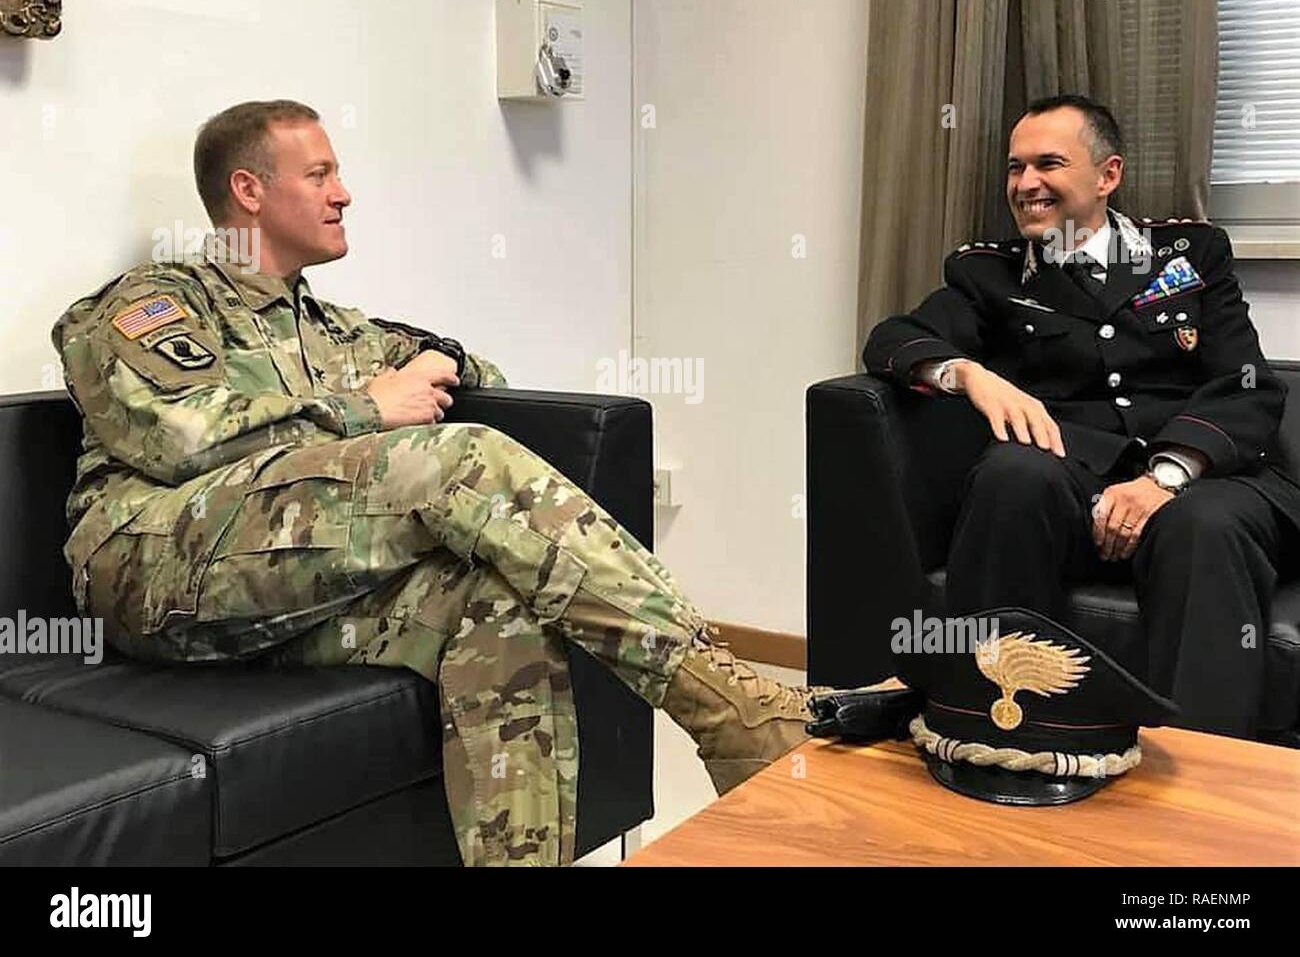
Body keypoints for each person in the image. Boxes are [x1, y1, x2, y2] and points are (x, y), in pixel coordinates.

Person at [52, 99, 828, 866]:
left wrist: (436, 363)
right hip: (153, 572)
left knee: (499, 607)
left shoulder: (336, 331)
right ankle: (731, 710)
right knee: (461, 460)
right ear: (249, 191)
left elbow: (473, 371)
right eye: (319, 173)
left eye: (338, 173)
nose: (343, 192)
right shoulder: (150, 302)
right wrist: (368, 407)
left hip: (275, 595)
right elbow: (181, 438)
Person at [863, 94, 1300, 740]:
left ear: (1108, 176)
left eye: (1048, 164)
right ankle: (994, 731)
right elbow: (893, 339)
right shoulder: (988, 272)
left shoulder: (1189, 254)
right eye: (1015, 168)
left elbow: (1247, 388)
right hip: (1075, 480)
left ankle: (1204, 777)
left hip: (1208, 479)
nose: (1026, 184)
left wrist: (1164, 479)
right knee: (1011, 476)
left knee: (1200, 526)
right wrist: (970, 374)